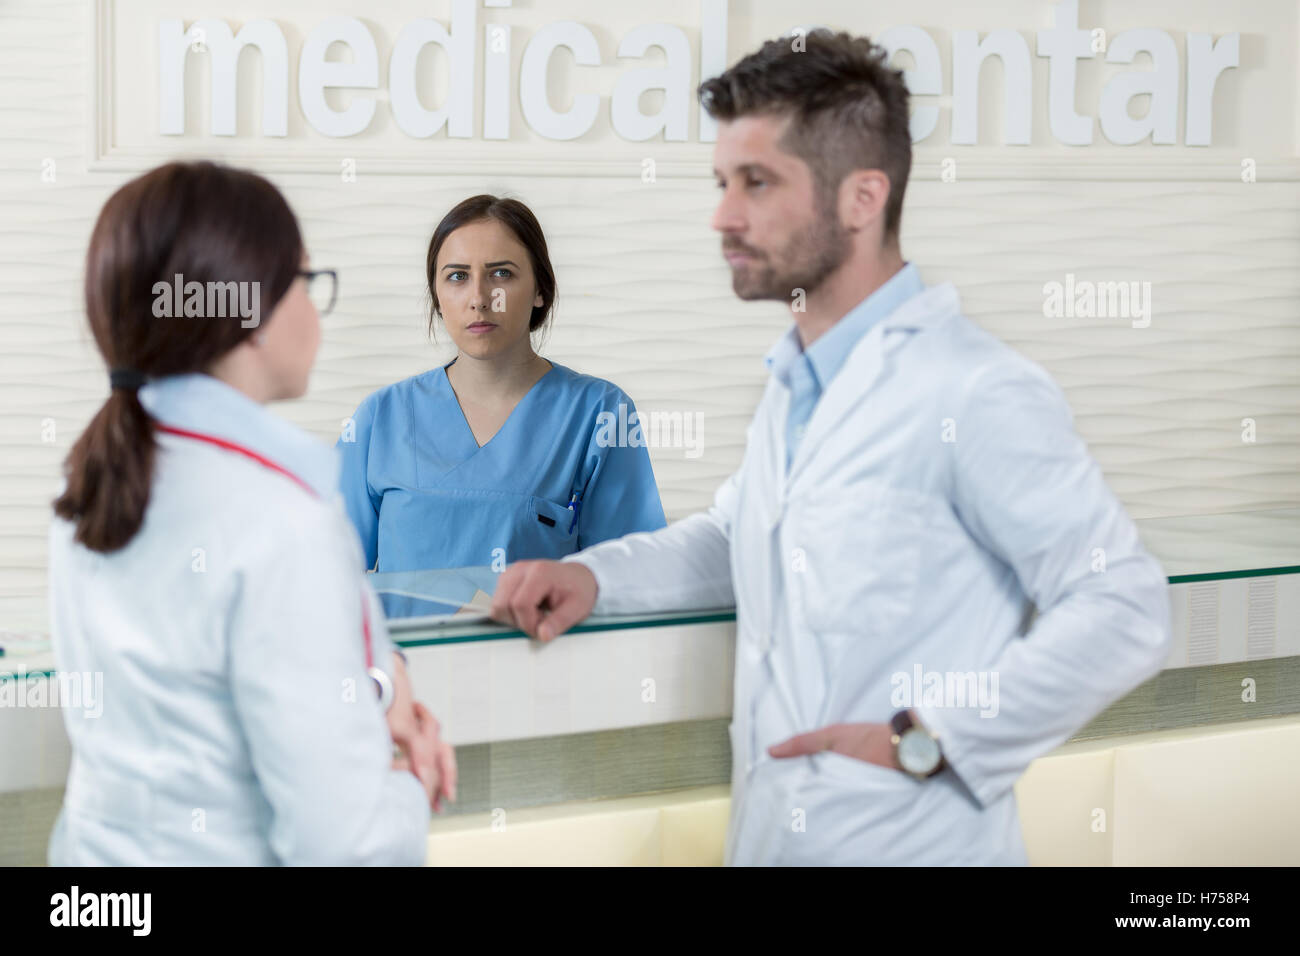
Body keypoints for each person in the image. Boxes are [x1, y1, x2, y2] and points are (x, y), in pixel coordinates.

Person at [488, 32, 1173, 866]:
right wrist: (594, 576)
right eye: (721, 182)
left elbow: (1126, 606)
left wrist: (932, 739)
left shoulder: (976, 390)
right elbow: (738, 537)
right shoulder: (795, 383)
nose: (722, 215)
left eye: (758, 183)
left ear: (863, 197)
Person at [48, 160, 454, 865]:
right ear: (252, 313)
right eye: (304, 279)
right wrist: (415, 784)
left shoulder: (90, 480)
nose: (314, 306)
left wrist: (378, 679)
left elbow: (199, 686)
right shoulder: (282, 520)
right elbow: (344, 849)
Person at [337, 195, 666, 574]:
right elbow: (322, 574)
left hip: (539, 637)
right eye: (457, 276)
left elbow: (632, 577)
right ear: (438, 297)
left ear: (540, 289)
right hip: (399, 636)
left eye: (502, 274)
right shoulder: (381, 417)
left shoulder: (598, 413)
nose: (479, 298)